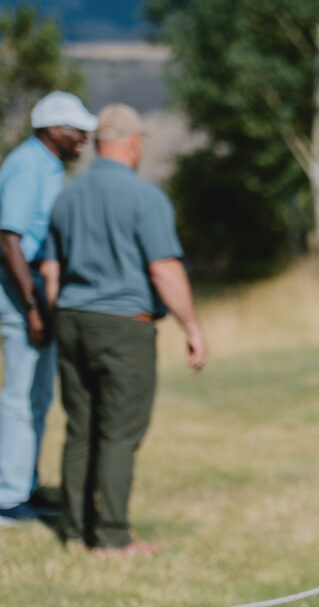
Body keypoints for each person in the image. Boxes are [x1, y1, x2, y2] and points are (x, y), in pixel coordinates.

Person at [42, 103, 207, 557]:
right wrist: (192, 328)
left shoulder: (66, 197)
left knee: (80, 428)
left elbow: (51, 273)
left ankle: (74, 529)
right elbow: (164, 269)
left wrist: (60, 320)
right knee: (119, 433)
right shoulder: (144, 197)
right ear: (133, 144)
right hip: (124, 327)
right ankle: (112, 537)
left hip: (71, 320)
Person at [0, 92, 96, 525]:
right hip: (22, 292)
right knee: (21, 395)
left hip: (36, 290)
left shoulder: (49, 165)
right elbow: (9, 240)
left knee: (38, 394)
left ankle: (24, 482)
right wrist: (33, 308)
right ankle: (7, 496)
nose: (84, 140)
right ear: (55, 130)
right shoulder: (27, 165)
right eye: (79, 132)